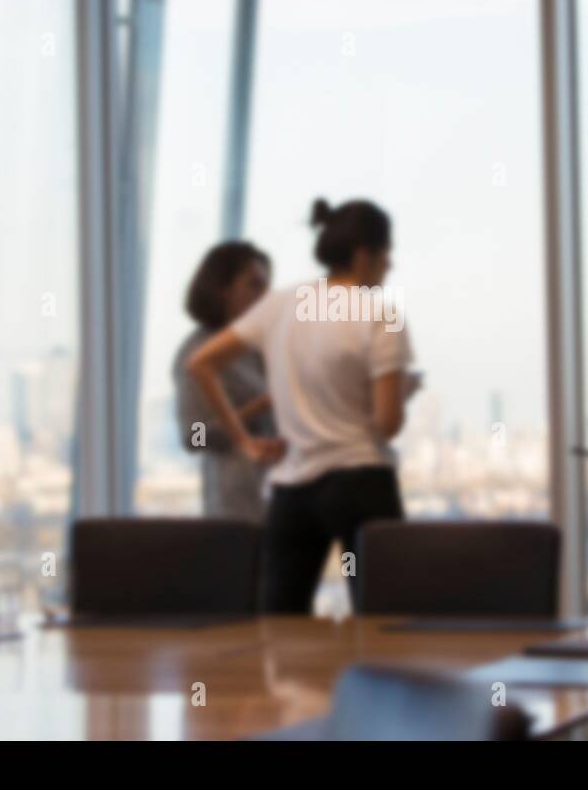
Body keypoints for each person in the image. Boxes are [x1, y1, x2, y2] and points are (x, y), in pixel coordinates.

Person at [187, 198, 418, 612]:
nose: (390, 265)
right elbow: (387, 424)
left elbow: (202, 364)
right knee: (384, 619)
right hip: (360, 482)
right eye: (387, 254)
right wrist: (400, 391)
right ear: (364, 256)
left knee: (278, 623)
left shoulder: (279, 306)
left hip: (292, 490)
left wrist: (244, 442)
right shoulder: (383, 316)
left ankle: (280, 682)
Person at [172, 242, 274, 522]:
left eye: (267, 286)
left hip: (275, 498)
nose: (265, 296)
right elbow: (194, 437)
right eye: (254, 285)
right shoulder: (199, 352)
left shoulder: (254, 349)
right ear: (222, 289)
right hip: (236, 508)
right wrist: (257, 408)